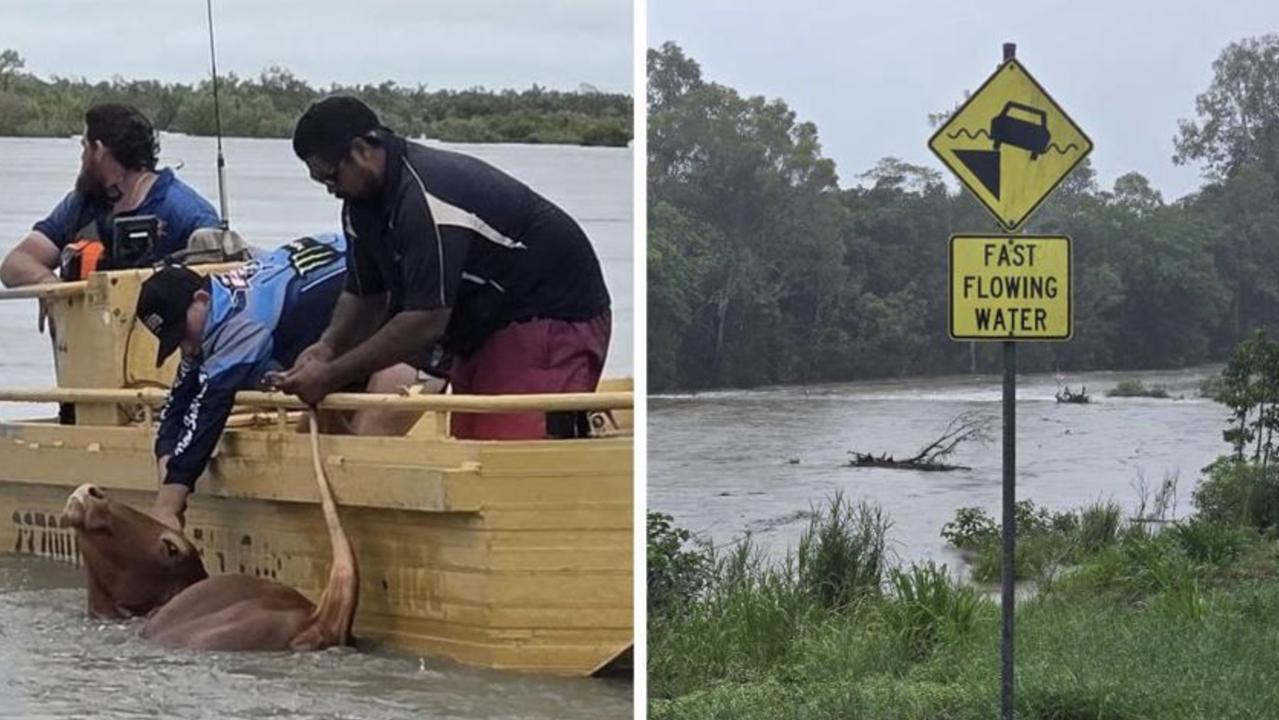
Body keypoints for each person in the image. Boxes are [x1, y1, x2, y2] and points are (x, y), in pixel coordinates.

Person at [274, 96, 612, 439]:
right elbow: (366, 293)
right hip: (483, 323)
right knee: (470, 441)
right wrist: (327, 347)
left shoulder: (427, 198)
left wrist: (332, 375)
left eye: (332, 177)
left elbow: (426, 320)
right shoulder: (359, 204)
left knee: (510, 446)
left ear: (362, 150)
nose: (331, 190)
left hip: (552, 315)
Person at [136, 234, 419, 530]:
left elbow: (210, 408)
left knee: (367, 449)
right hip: (346, 324)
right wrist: (165, 461)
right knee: (309, 450)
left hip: (404, 313)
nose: (185, 347)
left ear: (201, 299)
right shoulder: (214, 311)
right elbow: (181, 398)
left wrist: (168, 503)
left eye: (182, 333)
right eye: (174, 340)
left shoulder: (244, 322)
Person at [0, 102, 222, 291]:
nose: (82, 156)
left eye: (84, 147)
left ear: (99, 150)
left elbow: (219, 278)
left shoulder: (184, 210)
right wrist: (49, 286)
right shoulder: (81, 204)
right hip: (86, 337)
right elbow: (14, 265)